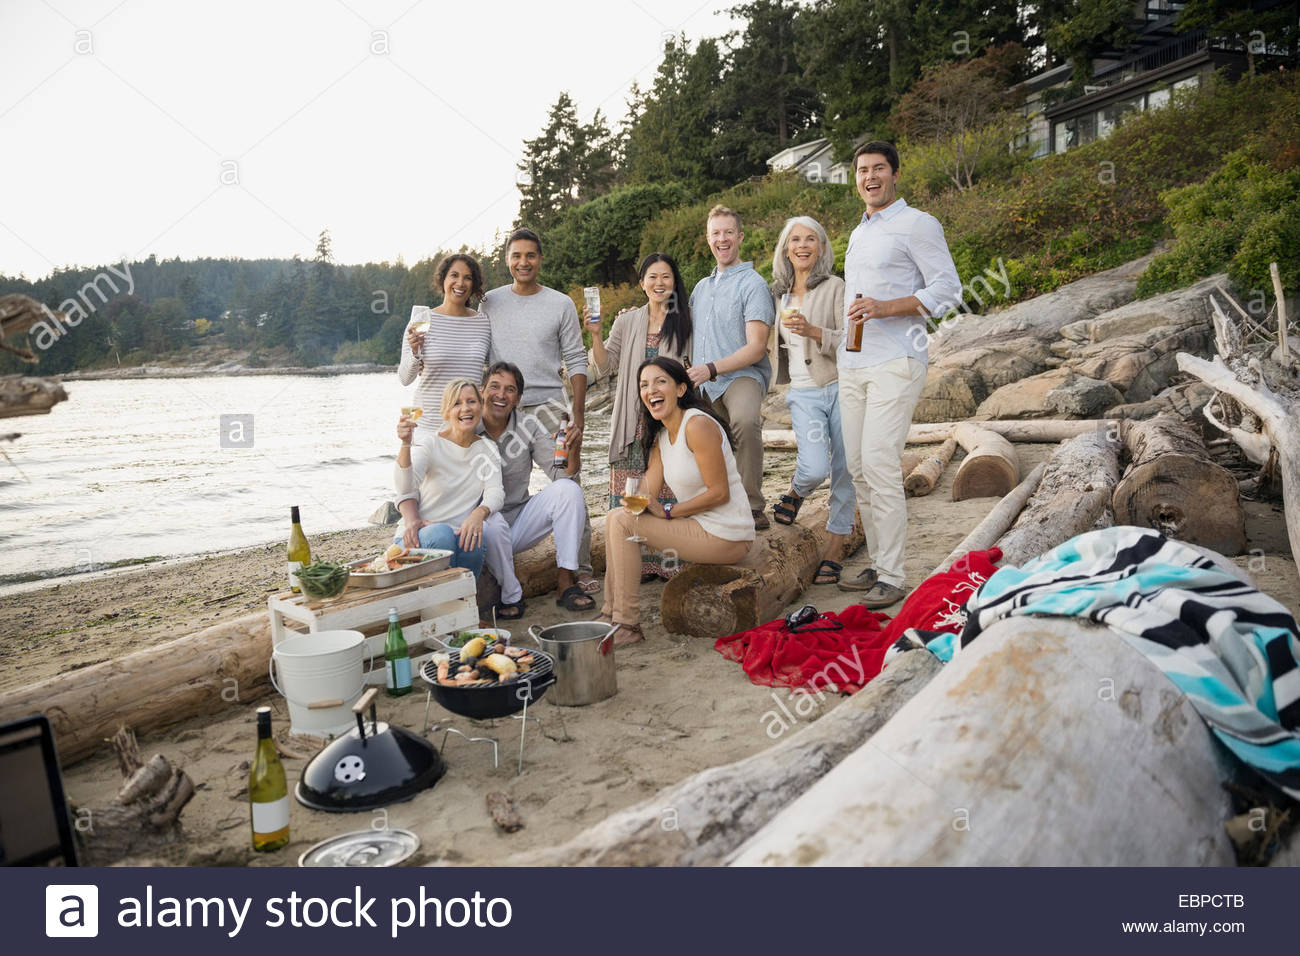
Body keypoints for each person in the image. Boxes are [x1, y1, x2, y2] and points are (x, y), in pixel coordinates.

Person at [837, 141, 961, 608]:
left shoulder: (918, 224)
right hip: (854, 362)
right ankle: (878, 558)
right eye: (862, 170)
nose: (869, 177)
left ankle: (892, 574)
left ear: (894, 174)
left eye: (878, 169)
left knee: (880, 462)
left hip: (898, 359)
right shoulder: (858, 232)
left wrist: (886, 308)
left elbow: (949, 290)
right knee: (858, 468)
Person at [599, 357, 755, 645]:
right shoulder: (661, 436)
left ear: (681, 389)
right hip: (701, 527)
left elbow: (720, 492)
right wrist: (636, 499)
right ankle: (609, 614)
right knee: (615, 517)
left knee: (622, 523)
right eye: (644, 385)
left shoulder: (697, 425)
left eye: (660, 382)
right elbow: (648, 489)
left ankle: (626, 624)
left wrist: (669, 511)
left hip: (728, 534)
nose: (651, 390)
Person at [481, 227, 599, 593]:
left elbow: (577, 360)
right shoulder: (489, 302)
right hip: (502, 408)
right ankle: (491, 557)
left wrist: (577, 414)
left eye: (530, 255)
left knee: (567, 482)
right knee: (494, 484)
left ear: (540, 259)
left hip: (549, 408)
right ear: (506, 260)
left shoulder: (560, 303)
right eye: (516, 255)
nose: (523, 262)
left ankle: (579, 568)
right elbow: (479, 355)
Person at [585, 252, 692, 581]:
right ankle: (635, 565)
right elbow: (605, 366)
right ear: (642, 283)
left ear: (674, 282)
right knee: (630, 493)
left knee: (668, 491)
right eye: (652, 277)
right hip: (632, 421)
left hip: (669, 422)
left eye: (666, 277)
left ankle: (669, 564)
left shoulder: (687, 320)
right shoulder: (627, 321)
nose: (659, 283)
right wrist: (595, 333)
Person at [767, 216, 854, 586]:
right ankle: (797, 490)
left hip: (840, 386)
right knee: (816, 466)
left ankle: (833, 553)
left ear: (821, 247)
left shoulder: (836, 286)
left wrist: (814, 331)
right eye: (795, 240)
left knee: (844, 471)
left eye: (810, 240)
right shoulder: (776, 294)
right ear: (786, 249)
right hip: (802, 392)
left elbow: (852, 338)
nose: (802, 246)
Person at [476, 361, 593, 616]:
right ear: (482, 389)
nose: (501, 395)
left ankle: (566, 582)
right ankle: (509, 594)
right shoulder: (468, 424)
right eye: (494, 387)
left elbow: (560, 474)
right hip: (479, 530)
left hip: (518, 524)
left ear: (518, 399)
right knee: (490, 523)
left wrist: (574, 449)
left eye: (509, 390)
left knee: (568, 491)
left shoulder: (528, 425)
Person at [687, 205, 775, 529]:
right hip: (704, 383)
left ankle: (752, 506)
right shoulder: (700, 289)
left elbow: (755, 347)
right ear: (708, 239)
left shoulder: (753, 284)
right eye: (715, 233)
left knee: (745, 420)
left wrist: (711, 368)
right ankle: (715, 503)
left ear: (739, 237)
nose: (722, 239)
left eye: (728, 233)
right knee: (704, 439)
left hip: (742, 376)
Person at [393, 379, 518, 601]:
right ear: (446, 412)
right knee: (442, 534)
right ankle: (439, 611)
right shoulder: (430, 444)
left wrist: (479, 513)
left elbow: (495, 492)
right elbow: (405, 486)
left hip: (458, 534)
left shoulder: (487, 448)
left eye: (471, 401)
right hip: (419, 535)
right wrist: (405, 445)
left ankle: (463, 609)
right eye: (457, 403)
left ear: (480, 406)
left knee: (474, 542)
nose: (465, 409)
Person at [398, 254, 491, 431]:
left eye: (468, 278)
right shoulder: (421, 320)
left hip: (469, 429)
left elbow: (490, 375)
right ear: (443, 279)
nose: (460, 283)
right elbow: (404, 379)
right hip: (427, 427)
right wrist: (415, 353)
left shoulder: (483, 323)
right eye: (454, 275)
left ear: (474, 284)